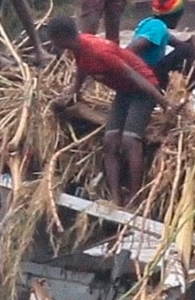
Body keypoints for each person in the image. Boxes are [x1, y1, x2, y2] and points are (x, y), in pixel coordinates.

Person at [46, 15, 173, 207]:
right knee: (110, 141)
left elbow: (133, 74)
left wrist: (163, 102)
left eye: (53, 40)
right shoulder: (79, 47)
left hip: (143, 88)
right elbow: (83, 66)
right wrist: (75, 91)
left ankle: (134, 197)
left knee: (130, 140)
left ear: (62, 37)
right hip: (124, 90)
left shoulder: (99, 51)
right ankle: (115, 198)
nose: (53, 44)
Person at [125, 0, 195, 92]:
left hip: (145, 73)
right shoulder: (159, 27)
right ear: (176, 15)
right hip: (147, 75)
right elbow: (129, 51)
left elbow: (178, 43)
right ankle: (189, 88)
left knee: (192, 43)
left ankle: (187, 88)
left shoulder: (151, 23)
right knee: (188, 48)